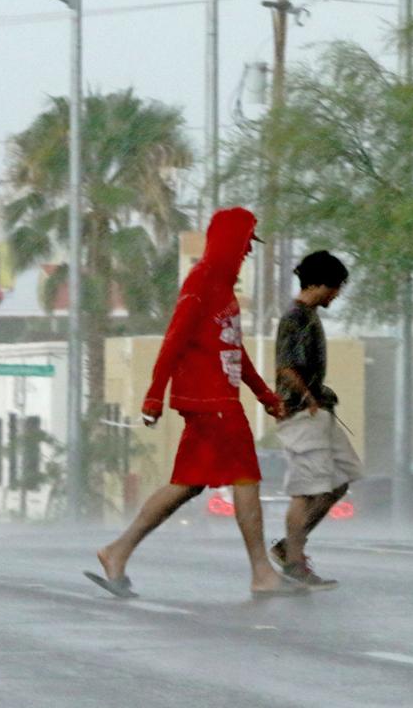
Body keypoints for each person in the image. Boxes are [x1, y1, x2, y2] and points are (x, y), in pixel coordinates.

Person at [86, 207, 299, 598]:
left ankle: (116, 551)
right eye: (246, 243)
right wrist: (154, 394)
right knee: (245, 478)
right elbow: (175, 338)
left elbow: (233, 350)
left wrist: (264, 395)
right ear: (231, 241)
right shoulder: (202, 280)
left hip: (217, 398)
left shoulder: (222, 288)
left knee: (187, 484)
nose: (248, 252)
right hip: (210, 400)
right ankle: (261, 573)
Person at [269, 250, 363, 590]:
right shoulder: (294, 317)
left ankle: (288, 545)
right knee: (307, 489)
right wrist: (309, 400)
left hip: (318, 411)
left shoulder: (309, 315)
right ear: (321, 283)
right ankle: (294, 561)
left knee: (341, 479)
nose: (336, 294)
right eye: (335, 287)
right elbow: (285, 366)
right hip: (299, 412)